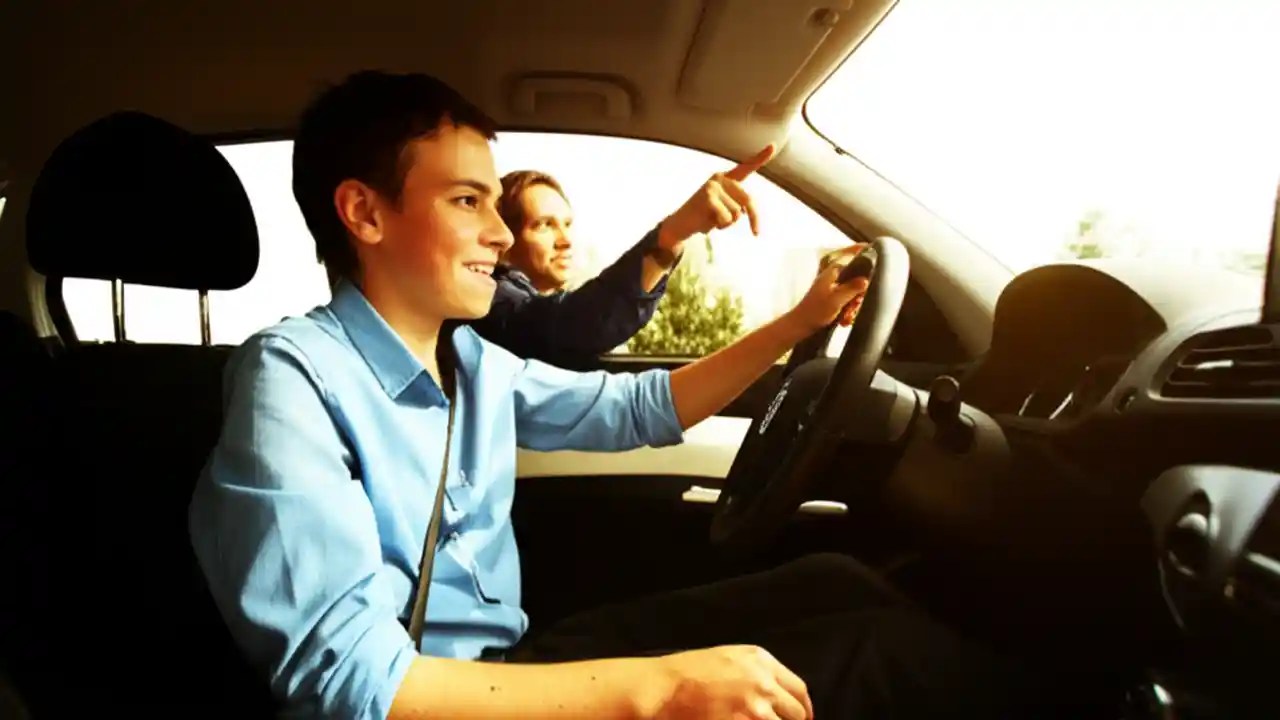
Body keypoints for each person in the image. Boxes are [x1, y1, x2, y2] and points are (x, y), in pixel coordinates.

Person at [189, 70, 1037, 720]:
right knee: (876, 654)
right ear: (364, 215)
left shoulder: (474, 364)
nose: (498, 231)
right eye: (467, 200)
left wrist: (798, 324)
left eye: (494, 202)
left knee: (837, 579)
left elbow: (641, 410)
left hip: (507, 668)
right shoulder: (291, 379)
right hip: (431, 701)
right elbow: (353, 679)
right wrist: (660, 690)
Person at [469, 152, 774, 368]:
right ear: (504, 240)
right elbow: (574, 324)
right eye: (543, 225)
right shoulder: (491, 302)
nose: (565, 240)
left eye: (567, 224)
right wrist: (671, 235)